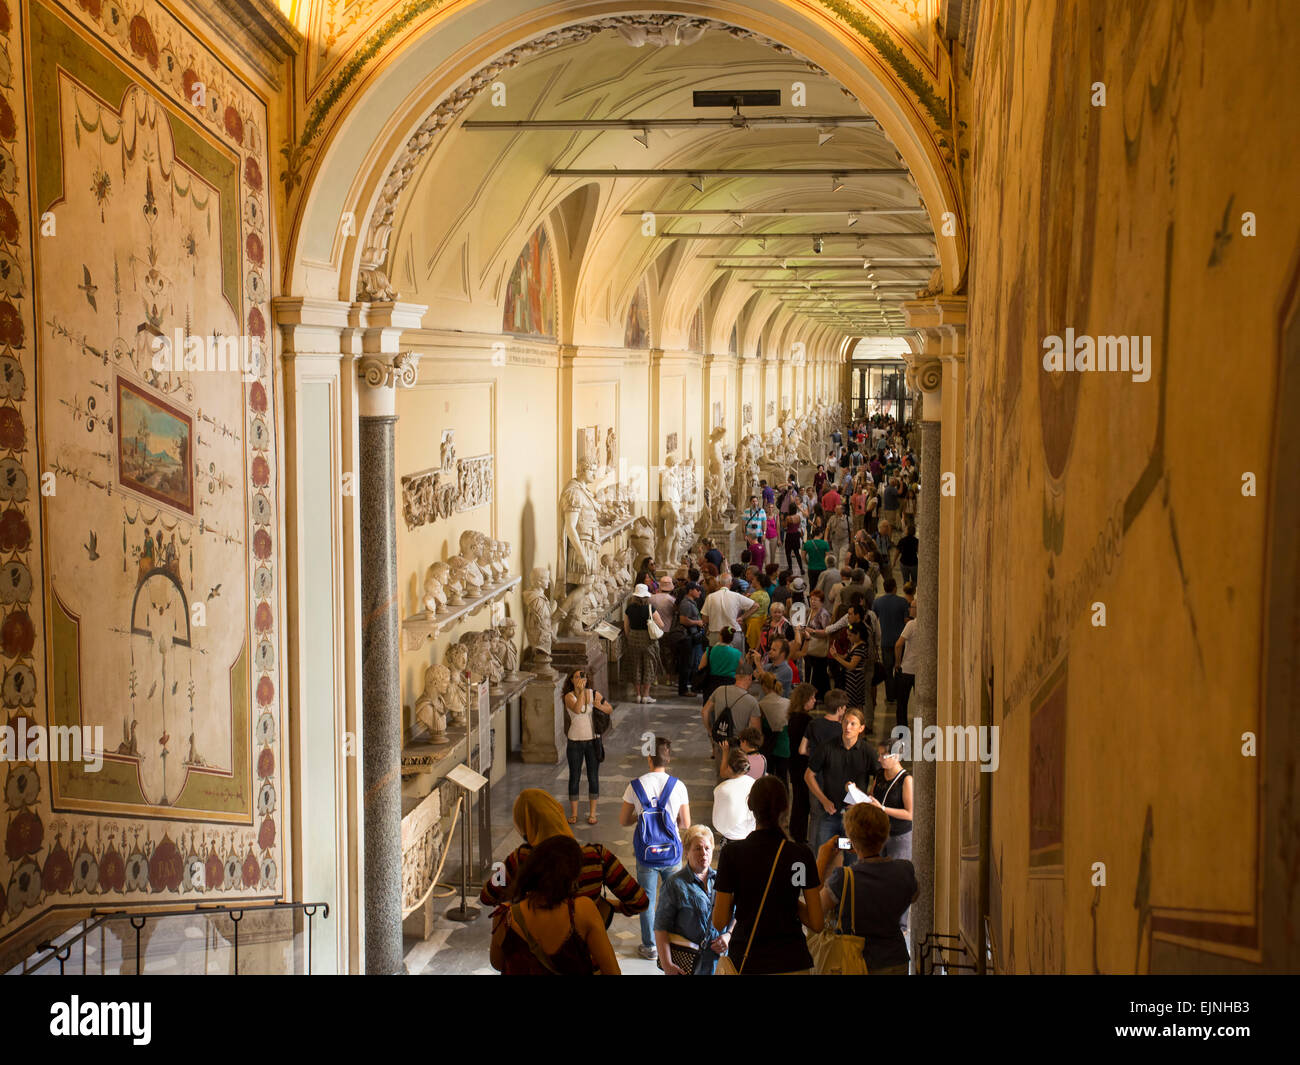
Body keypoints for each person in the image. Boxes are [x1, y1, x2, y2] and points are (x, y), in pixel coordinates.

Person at [480, 789, 649, 926]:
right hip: (585, 956)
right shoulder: (597, 856)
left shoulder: (519, 858)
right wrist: (603, 905)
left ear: (525, 824)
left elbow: (488, 895)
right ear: (558, 814)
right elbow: (639, 901)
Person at [712, 777, 824, 974]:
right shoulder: (800, 855)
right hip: (792, 959)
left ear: (750, 805)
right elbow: (816, 922)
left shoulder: (732, 854)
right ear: (786, 807)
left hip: (747, 958)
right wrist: (784, 897)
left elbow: (719, 921)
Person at [490, 835, 622, 975]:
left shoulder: (505, 916)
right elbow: (612, 971)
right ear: (572, 877)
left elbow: (497, 963)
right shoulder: (583, 910)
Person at [814, 802, 917, 975]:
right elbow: (913, 895)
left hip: (857, 961)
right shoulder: (905, 870)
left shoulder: (844, 878)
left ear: (851, 838)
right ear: (885, 834)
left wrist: (822, 859)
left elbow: (815, 912)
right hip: (896, 961)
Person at [621, 737, 691, 960]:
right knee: (674, 897)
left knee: (647, 900)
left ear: (649, 759)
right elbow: (686, 824)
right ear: (668, 759)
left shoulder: (635, 785)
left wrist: (640, 817)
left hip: (646, 853)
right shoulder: (678, 786)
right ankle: (674, 941)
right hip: (672, 853)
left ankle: (650, 946)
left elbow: (624, 820)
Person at [655, 825, 732, 975]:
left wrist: (728, 935)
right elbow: (660, 927)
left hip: (717, 963)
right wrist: (667, 965)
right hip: (687, 964)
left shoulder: (721, 880)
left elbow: (735, 912)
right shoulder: (674, 884)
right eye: (697, 848)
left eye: (707, 848)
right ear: (686, 852)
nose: (703, 853)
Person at [805, 706, 879, 852]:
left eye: (853, 724)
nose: (848, 727)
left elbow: (880, 778)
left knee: (851, 858)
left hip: (855, 817)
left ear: (861, 728)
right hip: (830, 813)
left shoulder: (868, 751)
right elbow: (808, 775)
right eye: (845, 722)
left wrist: (867, 799)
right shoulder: (827, 747)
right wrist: (824, 800)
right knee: (823, 855)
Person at [563, 669, 613, 824]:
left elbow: (609, 708)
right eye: (577, 677)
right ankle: (574, 814)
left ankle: (592, 813)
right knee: (575, 777)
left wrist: (599, 705)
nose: (580, 679)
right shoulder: (568, 696)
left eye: (582, 677)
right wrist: (580, 692)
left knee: (593, 776)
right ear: (571, 680)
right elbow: (577, 710)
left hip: (592, 741)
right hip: (574, 742)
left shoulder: (593, 693)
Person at [701, 660, 762, 770]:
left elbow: (704, 712)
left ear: (736, 676)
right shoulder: (752, 701)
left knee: (721, 776)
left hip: (720, 740)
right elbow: (756, 730)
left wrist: (710, 731)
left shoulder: (719, 690)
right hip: (739, 746)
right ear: (749, 678)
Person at [785, 683, 818, 844]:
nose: (814, 701)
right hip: (803, 764)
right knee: (803, 801)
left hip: (793, 763)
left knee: (798, 798)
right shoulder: (807, 720)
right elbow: (804, 748)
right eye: (812, 697)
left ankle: (795, 829)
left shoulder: (793, 716)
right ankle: (799, 834)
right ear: (805, 699)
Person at [872, 578, 910, 712]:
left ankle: (890, 696)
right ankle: (900, 694)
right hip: (900, 640)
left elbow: (874, 620)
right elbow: (906, 620)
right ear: (894, 588)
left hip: (885, 640)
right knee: (899, 668)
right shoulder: (903, 602)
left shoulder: (877, 602)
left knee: (888, 670)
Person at [623, 584, 665, 705]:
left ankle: (638, 695)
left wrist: (629, 638)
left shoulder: (629, 609)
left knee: (635, 666)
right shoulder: (650, 609)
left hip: (633, 639)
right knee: (648, 667)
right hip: (648, 641)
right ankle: (646, 695)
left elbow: (626, 627)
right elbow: (661, 624)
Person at [873, 740, 914, 862]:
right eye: (878, 755)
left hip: (899, 836)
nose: (879, 759)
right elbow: (872, 796)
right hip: (879, 833)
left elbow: (910, 814)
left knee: (896, 875)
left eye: (883, 756)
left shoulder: (906, 780)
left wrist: (883, 809)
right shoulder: (880, 774)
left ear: (896, 756)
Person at [831, 622, 875, 722]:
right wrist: (835, 654)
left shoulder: (861, 647)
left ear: (858, 634)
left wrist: (836, 657)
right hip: (851, 678)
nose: (848, 637)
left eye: (850, 635)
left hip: (855, 679)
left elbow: (851, 665)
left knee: (853, 705)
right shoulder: (854, 644)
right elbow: (847, 657)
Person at [712, 749, 757, 844]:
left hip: (731, 837)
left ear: (728, 767)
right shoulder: (754, 783)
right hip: (751, 835)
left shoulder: (721, 789)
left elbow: (717, 821)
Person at [751, 672, 789, 781]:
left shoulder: (761, 704)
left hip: (769, 747)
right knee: (783, 778)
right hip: (785, 746)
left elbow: (757, 728)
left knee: (769, 778)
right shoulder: (788, 702)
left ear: (763, 686)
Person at [701, 575, 756, 648]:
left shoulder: (710, 597)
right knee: (735, 658)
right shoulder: (736, 596)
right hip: (733, 633)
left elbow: (704, 619)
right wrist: (742, 618)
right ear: (731, 583)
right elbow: (756, 606)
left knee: (716, 658)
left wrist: (715, 618)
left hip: (716, 634)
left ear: (719, 583)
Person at [675, 582, 707, 697]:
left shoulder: (691, 602)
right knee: (686, 663)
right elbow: (683, 620)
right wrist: (697, 622)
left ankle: (691, 687)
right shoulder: (686, 604)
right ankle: (683, 689)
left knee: (691, 662)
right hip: (687, 637)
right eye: (697, 590)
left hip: (692, 636)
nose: (699, 592)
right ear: (690, 591)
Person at [698, 625, 742, 703]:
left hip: (712, 684)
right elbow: (742, 670)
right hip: (730, 684)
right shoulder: (737, 653)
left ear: (720, 636)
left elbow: (700, 667)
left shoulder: (710, 650)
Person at [894, 602, 919, 729]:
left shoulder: (911, 624)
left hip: (907, 669)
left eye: (912, 607)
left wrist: (898, 663)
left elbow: (898, 644)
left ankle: (902, 730)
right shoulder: (928, 624)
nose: (910, 609)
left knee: (902, 703)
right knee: (921, 702)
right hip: (920, 670)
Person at [803, 590, 833, 695]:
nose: (813, 602)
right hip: (809, 646)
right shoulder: (809, 611)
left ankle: (819, 695)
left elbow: (827, 631)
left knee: (819, 673)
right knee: (814, 672)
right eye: (811, 599)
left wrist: (813, 631)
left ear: (821, 601)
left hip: (818, 647)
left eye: (815, 600)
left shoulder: (823, 614)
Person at [802, 529, 831, 595]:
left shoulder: (807, 543)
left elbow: (803, 556)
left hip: (811, 568)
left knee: (812, 586)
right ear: (820, 534)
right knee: (822, 587)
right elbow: (827, 557)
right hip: (823, 568)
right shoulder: (825, 544)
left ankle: (812, 601)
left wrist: (807, 562)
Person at [782, 508, 803, 575]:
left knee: (788, 552)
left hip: (790, 535)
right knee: (797, 552)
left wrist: (783, 519)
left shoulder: (788, 518)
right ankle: (801, 568)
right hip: (796, 535)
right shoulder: (798, 517)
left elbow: (784, 526)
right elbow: (799, 525)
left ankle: (790, 569)